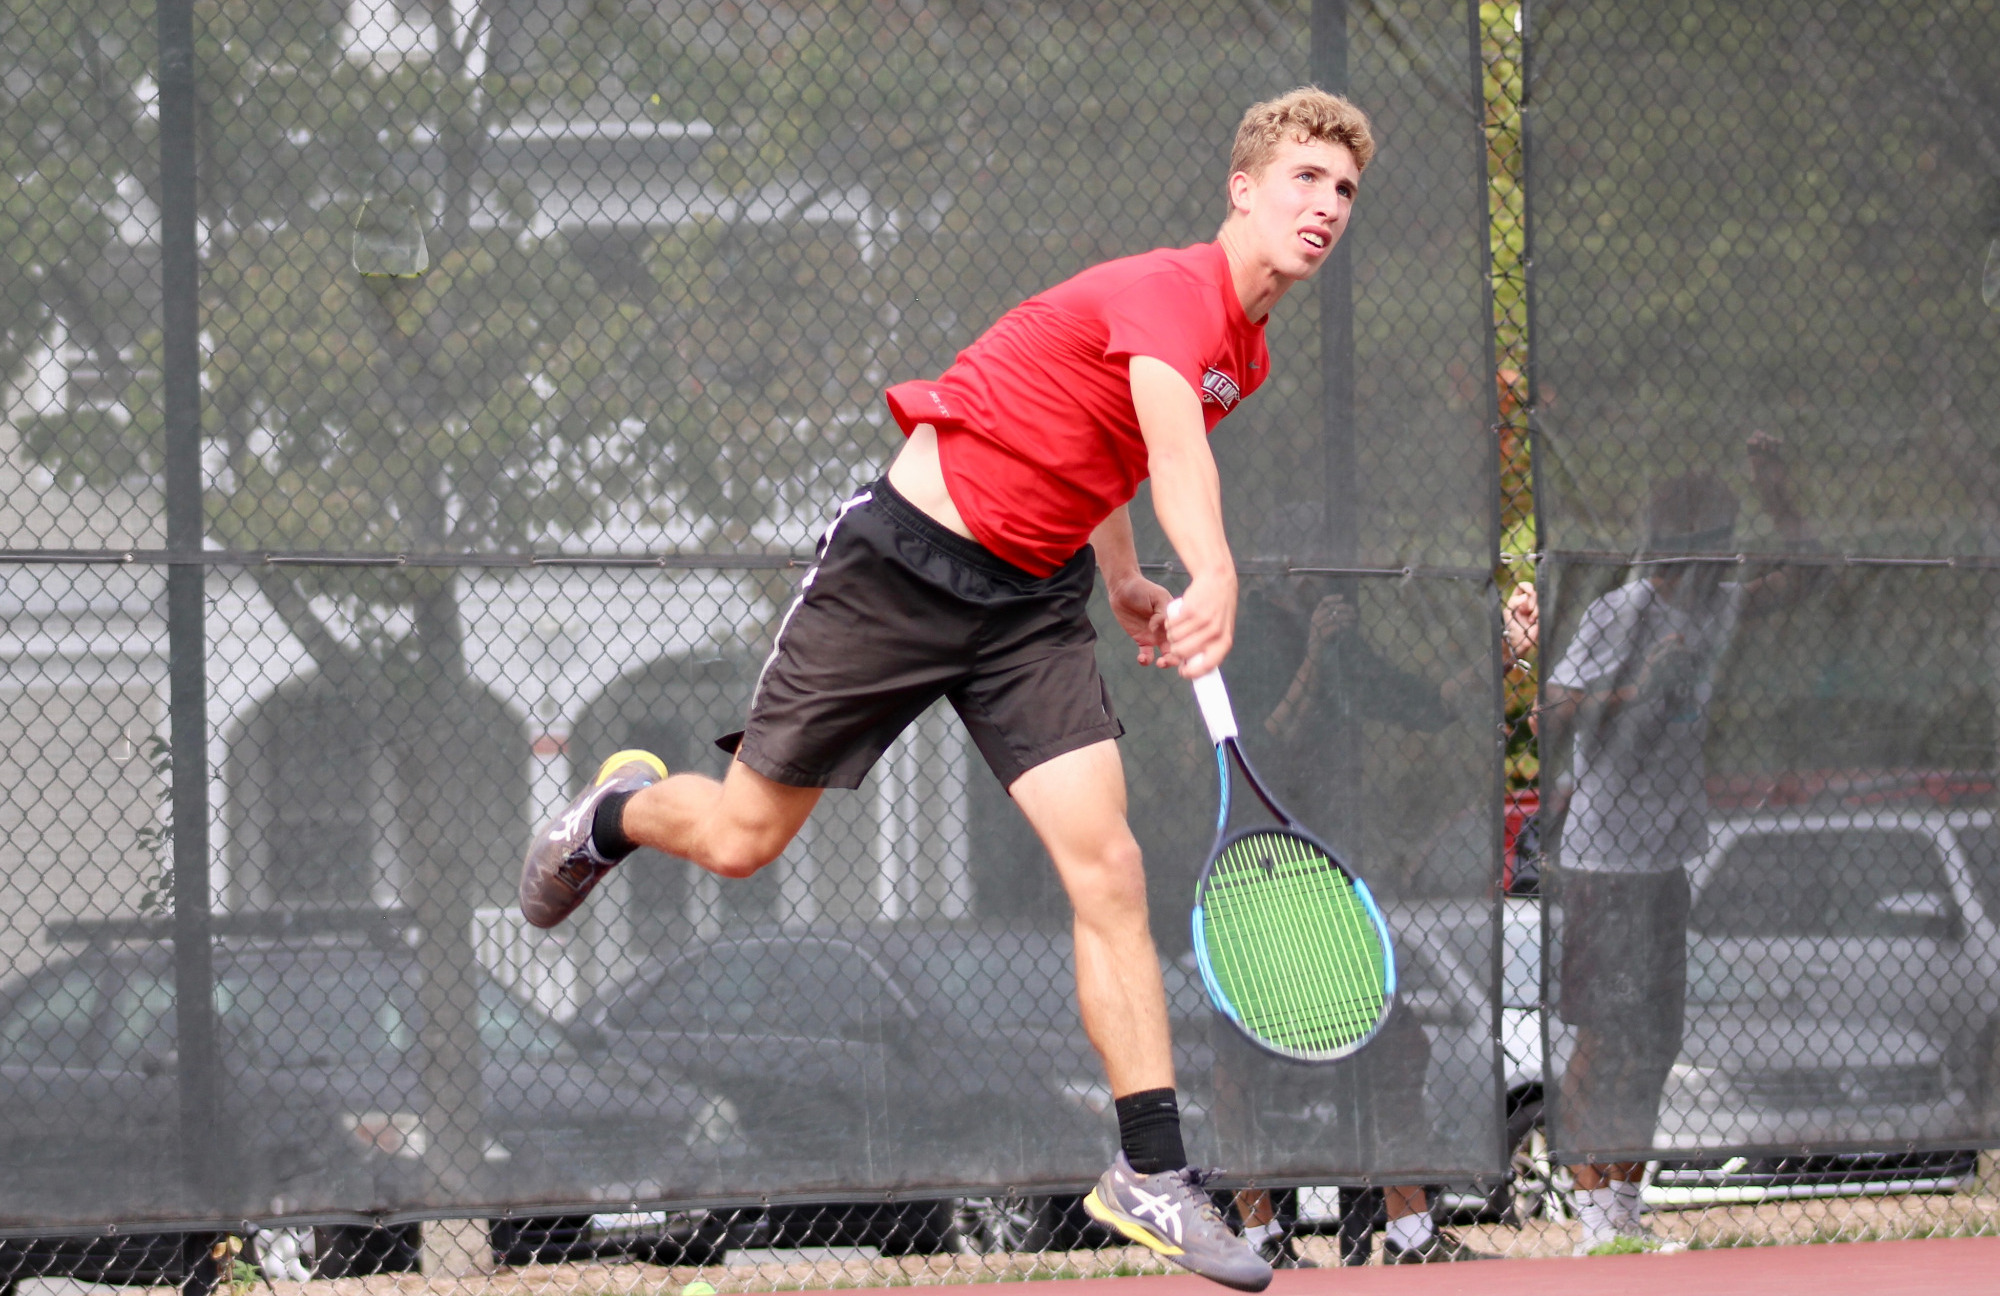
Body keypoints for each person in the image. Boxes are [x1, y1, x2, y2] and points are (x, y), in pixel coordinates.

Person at [519, 87, 1376, 1292]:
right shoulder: (1168, 291)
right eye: (1303, 179)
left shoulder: (1248, 347)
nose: (1325, 206)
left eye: (1342, 190)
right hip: (902, 567)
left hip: (1027, 606)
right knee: (739, 840)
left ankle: (1149, 1173)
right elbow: (1173, 445)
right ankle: (612, 813)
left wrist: (1123, 574)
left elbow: (1119, 444)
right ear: (1242, 188)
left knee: (1110, 869)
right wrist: (1215, 567)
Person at [1533, 432, 1809, 1254]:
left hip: (1666, 861)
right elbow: (1549, 712)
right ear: (1683, 551)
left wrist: (1776, 488)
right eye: (1715, 542)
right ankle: (1588, 1214)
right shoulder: (1620, 613)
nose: (1726, 557)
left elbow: (1803, 574)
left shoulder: (1717, 605)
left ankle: (1624, 1203)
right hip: (1602, 863)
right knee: (1602, 1036)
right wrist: (1636, 684)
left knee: (1655, 1041)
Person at [1218, 583, 1495, 1265]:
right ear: (1276, 578)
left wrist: (1505, 657)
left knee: (1397, 1046)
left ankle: (1409, 1233)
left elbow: (1427, 706)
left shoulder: (1339, 640)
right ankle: (1257, 1237)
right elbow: (1258, 751)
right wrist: (1313, 658)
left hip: (1332, 883)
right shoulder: (1236, 636)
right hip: (1258, 877)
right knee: (1245, 1061)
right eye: (1307, 569)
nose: (1323, 585)